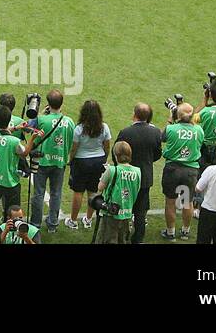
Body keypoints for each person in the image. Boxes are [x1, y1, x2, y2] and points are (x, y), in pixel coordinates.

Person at [0, 105, 36, 243]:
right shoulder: (14, 142)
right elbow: (24, 152)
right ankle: (9, 236)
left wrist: (16, 128)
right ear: (10, 119)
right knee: (11, 212)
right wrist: (32, 138)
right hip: (8, 182)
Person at [115, 104, 161, 244]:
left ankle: (122, 238)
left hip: (126, 178)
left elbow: (116, 153)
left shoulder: (125, 132)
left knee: (123, 208)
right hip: (144, 177)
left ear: (134, 115)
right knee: (140, 212)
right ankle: (138, 240)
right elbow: (158, 154)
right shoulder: (155, 132)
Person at [31, 91, 75, 232]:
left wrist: (42, 114)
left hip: (42, 161)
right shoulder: (69, 121)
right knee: (56, 193)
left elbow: (29, 127)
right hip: (60, 162)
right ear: (61, 104)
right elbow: (71, 142)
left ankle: (36, 224)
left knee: (38, 193)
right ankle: (53, 224)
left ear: (48, 104)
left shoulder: (42, 119)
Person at [160, 103, 203, 240]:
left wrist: (170, 120)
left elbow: (162, 137)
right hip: (190, 171)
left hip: (173, 170)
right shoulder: (199, 130)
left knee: (171, 201)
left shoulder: (171, 129)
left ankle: (170, 232)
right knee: (186, 202)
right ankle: (185, 231)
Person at [68, 100, 110, 229]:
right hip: (98, 161)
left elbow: (74, 149)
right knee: (93, 191)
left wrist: (71, 160)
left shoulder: (79, 129)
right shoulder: (104, 127)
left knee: (78, 191)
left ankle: (73, 221)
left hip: (81, 162)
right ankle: (88, 219)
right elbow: (107, 146)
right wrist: (103, 159)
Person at [95, 141, 140, 244]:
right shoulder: (138, 171)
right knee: (123, 239)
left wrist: (103, 176)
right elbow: (136, 189)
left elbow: (100, 187)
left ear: (115, 155)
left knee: (106, 239)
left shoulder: (111, 170)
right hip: (127, 211)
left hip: (110, 212)